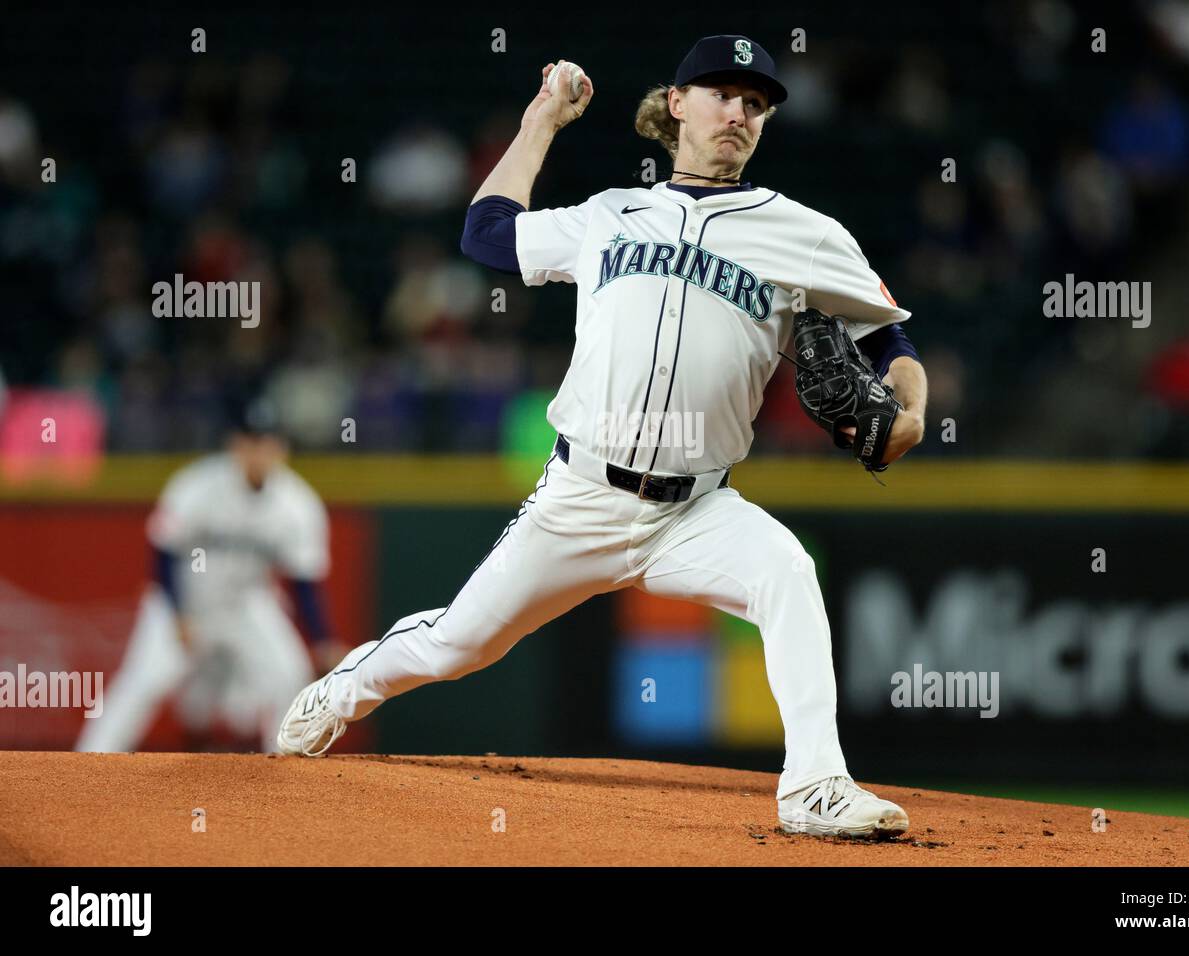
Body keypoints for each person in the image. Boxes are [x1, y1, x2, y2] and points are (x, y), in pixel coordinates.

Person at [278, 35, 928, 839]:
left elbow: (890, 343)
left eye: (756, 104)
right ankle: (340, 692)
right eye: (723, 94)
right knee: (458, 645)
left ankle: (814, 787)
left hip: (696, 511)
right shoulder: (610, 214)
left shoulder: (806, 234)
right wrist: (542, 121)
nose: (739, 113)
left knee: (787, 572)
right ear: (677, 105)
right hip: (580, 495)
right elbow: (487, 235)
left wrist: (910, 411)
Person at [77, 399, 349, 753]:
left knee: (289, 674)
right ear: (234, 444)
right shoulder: (198, 485)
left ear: (281, 447)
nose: (257, 450)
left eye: (266, 441)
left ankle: (285, 767)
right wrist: (178, 614)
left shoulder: (297, 504)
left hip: (245, 604)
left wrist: (322, 638)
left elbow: (304, 582)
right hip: (184, 601)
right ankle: (89, 762)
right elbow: (164, 552)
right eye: (250, 440)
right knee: (143, 683)